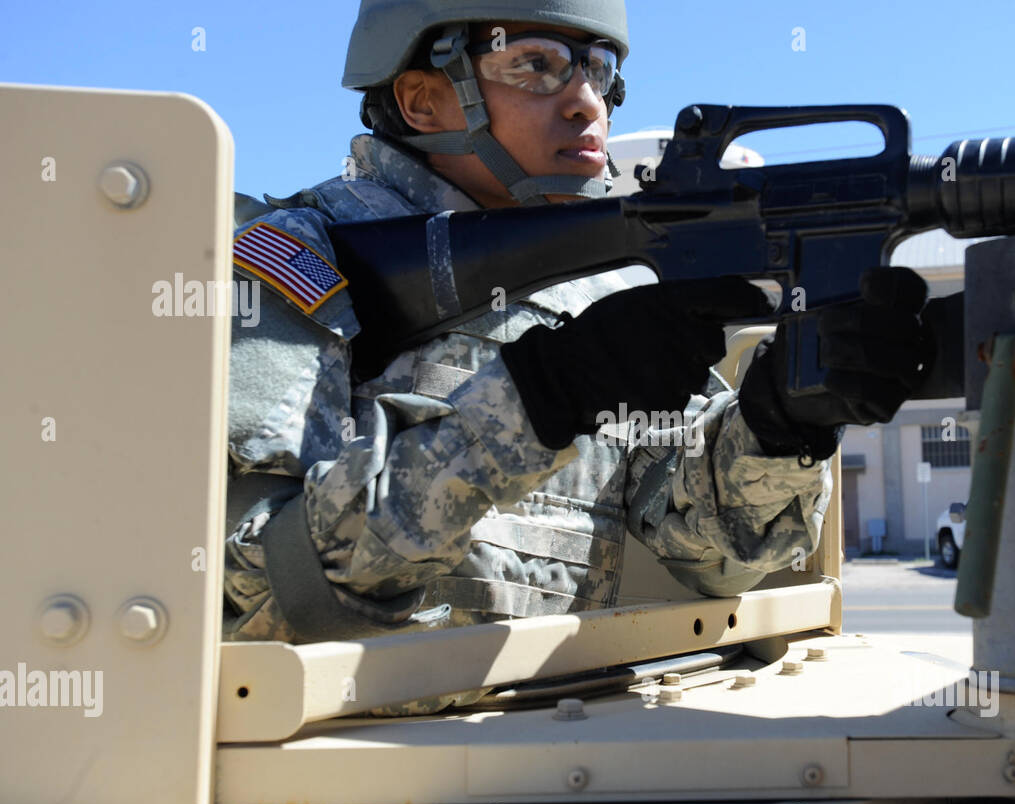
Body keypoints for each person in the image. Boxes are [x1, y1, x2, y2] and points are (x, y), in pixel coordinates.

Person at [222, 0, 933, 714]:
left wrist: (780, 420)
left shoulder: (611, 283)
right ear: (423, 99)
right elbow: (253, 588)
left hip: (576, 741)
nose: (586, 103)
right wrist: (540, 394)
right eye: (536, 65)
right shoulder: (299, 257)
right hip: (351, 763)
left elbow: (711, 554)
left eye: (599, 71)